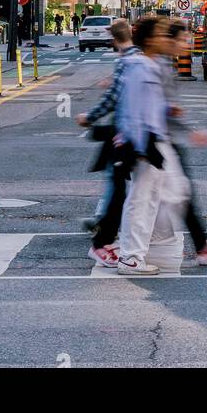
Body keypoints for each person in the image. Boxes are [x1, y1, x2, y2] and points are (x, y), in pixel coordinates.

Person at [114, 16, 190, 277]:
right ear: (147, 39)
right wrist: (137, 145)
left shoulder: (150, 66)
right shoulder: (138, 66)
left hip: (152, 140)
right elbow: (131, 109)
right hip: (143, 142)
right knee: (141, 200)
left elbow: (149, 104)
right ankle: (130, 257)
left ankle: (144, 247)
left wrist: (169, 109)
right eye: (159, 34)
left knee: (161, 196)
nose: (164, 38)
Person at [76, 20, 140, 266]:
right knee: (121, 183)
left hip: (125, 132)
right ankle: (105, 229)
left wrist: (88, 117)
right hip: (130, 132)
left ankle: (103, 233)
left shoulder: (127, 61)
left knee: (118, 183)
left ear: (113, 40)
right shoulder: (138, 58)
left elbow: (113, 98)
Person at [162, 21, 207, 265]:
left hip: (165, 140)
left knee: (178, 195)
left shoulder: (165, 65)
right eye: (182, 39)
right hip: (157, 142)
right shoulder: (157, 65)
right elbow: (158, 107)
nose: (187, 43)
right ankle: (105, 237)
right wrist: (189, 129)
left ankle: (202, 246)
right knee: (146, 198)